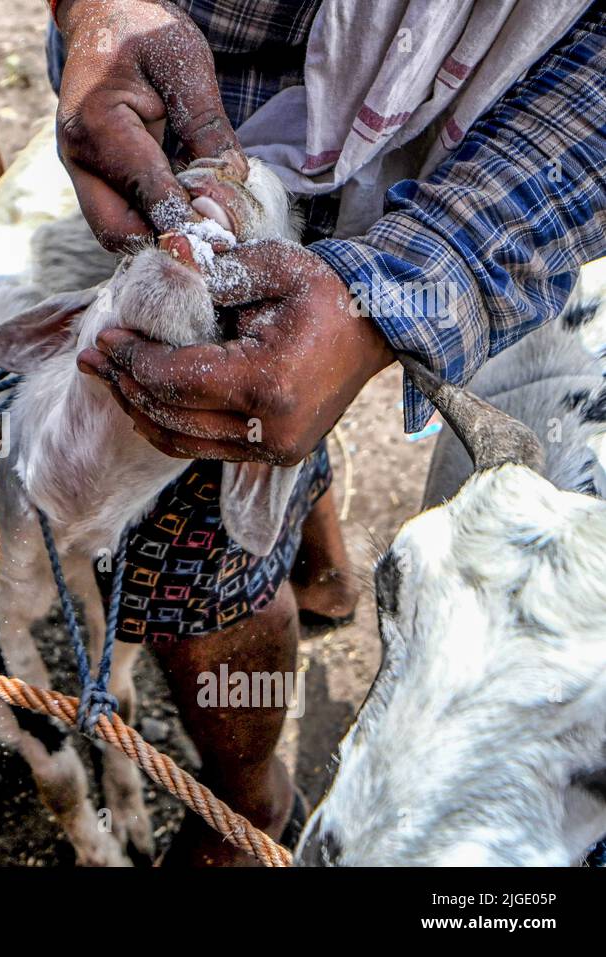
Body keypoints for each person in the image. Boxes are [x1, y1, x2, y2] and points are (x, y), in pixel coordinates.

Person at [46, 0, 606, 865]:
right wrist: (94, 10)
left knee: (211, 552)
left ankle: (248, 805)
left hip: (486, 144)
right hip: (161, 126)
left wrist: (426, 269)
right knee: (235, 430)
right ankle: (326, 580)